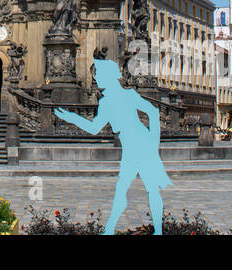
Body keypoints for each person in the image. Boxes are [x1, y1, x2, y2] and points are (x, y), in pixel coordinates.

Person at [54, 59, 171, 235]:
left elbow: (153, 112)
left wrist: (154, 142)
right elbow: (95, 128)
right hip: (134, 144)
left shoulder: (124, 96)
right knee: (130, 189)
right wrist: (72, 118)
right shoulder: (111, 100)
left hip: (140, 142)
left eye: (98, 75)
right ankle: (114, 230)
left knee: (145, 188)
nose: (96, 79)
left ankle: (152, 232)